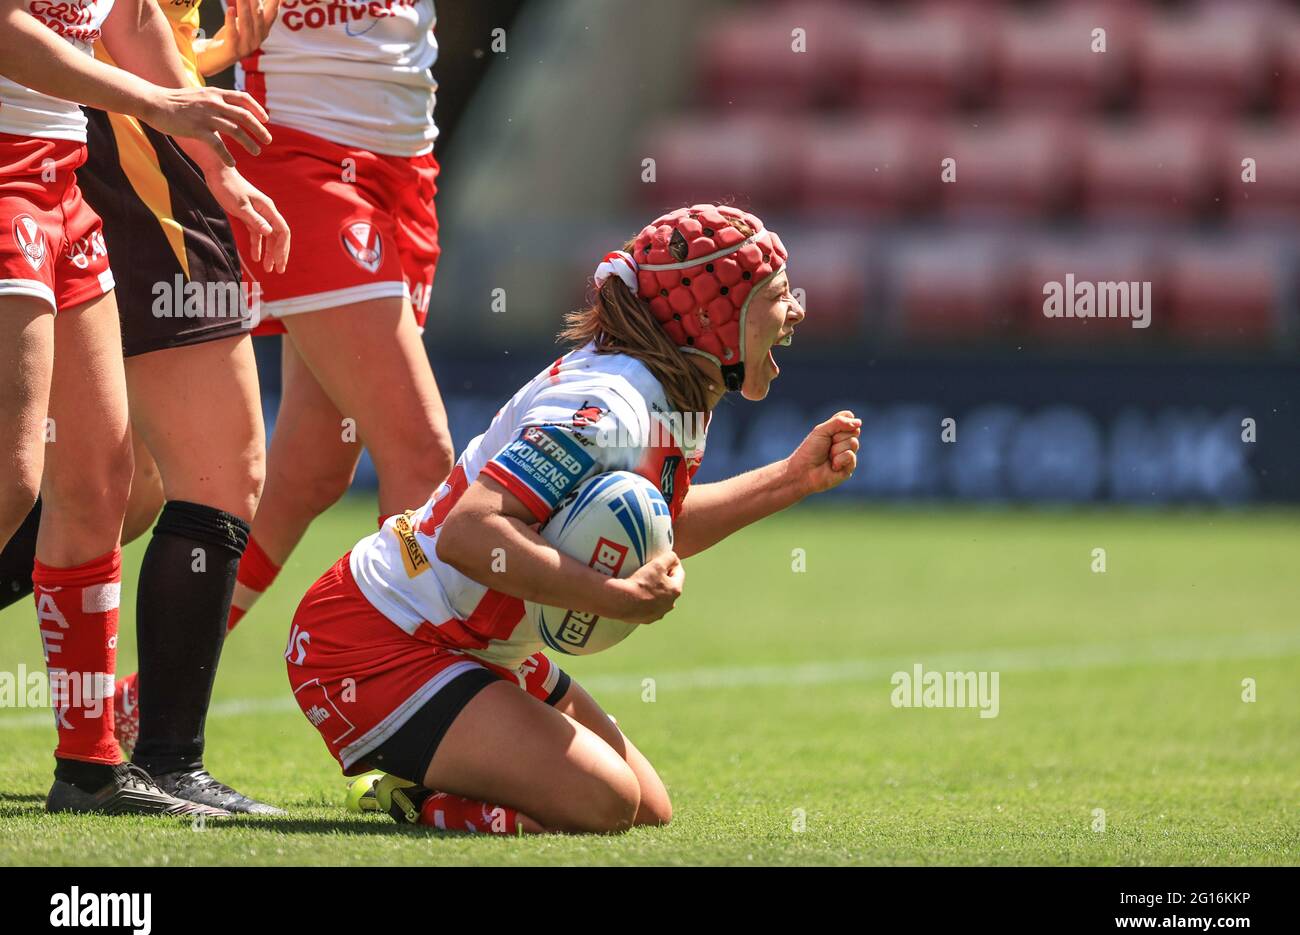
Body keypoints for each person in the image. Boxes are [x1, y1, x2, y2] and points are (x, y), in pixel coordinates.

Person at [286, 204, 861, 833]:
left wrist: (790, 479)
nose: (797, 311)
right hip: (376, 644)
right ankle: (401, 796)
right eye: (778, 296)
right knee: (602, 804)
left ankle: (443, 760)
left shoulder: (676, 390)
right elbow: (470, 534)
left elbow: (660, 525)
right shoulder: (608, 406)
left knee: (647, 809)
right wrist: (613, 595)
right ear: (708, 316)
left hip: (474, 646)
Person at [0, 0, 275, 814]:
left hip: (63, 181)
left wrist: (216, 167)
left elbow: (133, 23)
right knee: (14, 480)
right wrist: (156, 106)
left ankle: (88, 768)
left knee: (100, 481)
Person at [221, 0, 454, 630]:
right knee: (422, 456)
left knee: (315, 464)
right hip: (303, 154)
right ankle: (410, 683)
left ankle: (152, 693)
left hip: (408, 164)